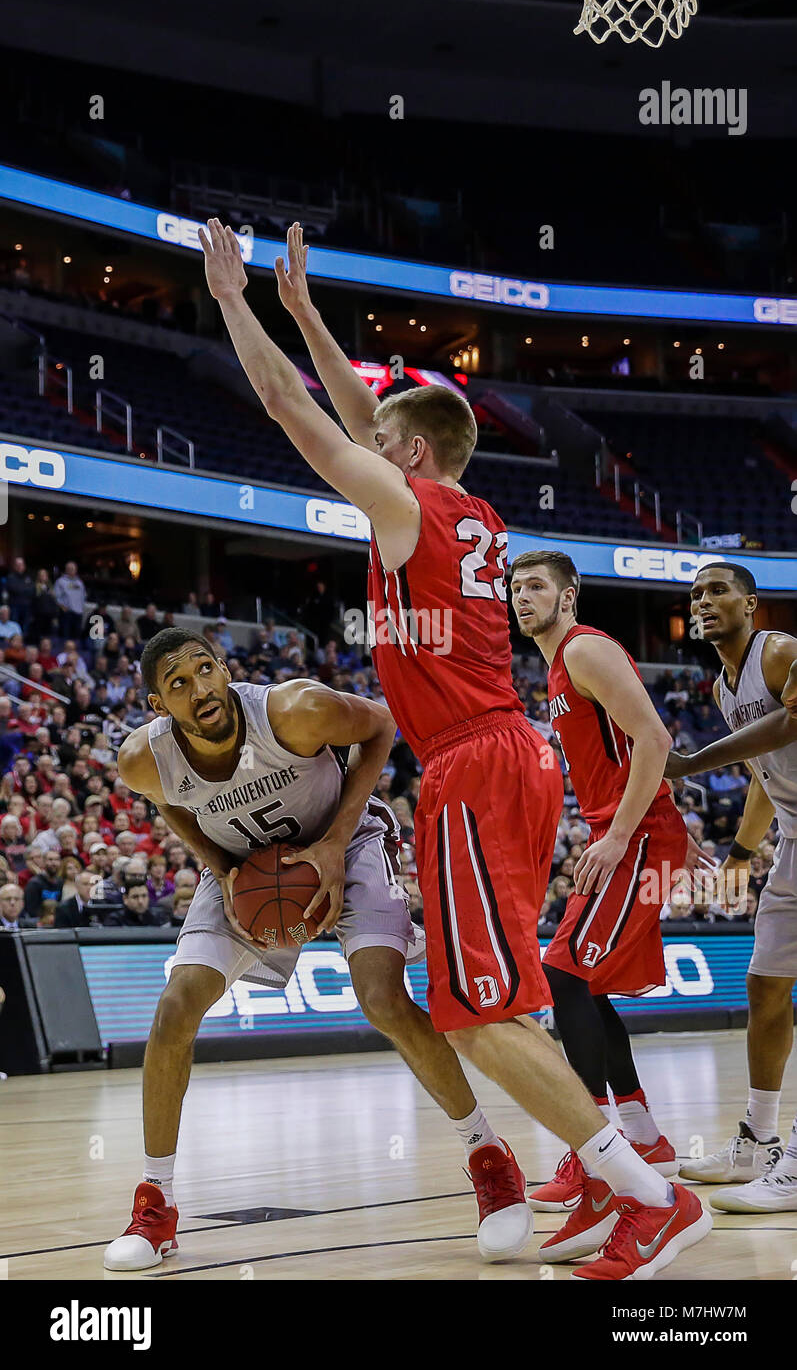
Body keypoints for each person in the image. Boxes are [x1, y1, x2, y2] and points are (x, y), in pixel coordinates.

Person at [198, 217, 712, 1279]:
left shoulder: (408, 505)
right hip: (506, 756)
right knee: (499, 1000)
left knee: (472, 1013)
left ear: (408, 457)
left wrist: (234, 304)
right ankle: (616, 1180)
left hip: (477, 765)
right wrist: (303, 311)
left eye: (379, 440)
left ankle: (652, 1198)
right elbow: (357, 412)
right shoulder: (462, 508)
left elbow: (295, 410)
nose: (363, 446)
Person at [104, 628, 518, 1272]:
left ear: (225, 668)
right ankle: (156, 1203)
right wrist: (217, 863)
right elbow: (166, 800)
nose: (199, 689)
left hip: (344, 845)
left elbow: (380, 727)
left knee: (381, 997)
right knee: (175, 1009)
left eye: (205, 670)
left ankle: (487, 1156)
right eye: (178, 685)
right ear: (160, 707)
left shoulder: (294, 711)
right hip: (247, 868)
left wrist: (333, 842)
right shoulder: (142, 760)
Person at [509, 550, 713, 1254]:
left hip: (632, 837)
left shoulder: (585, 648)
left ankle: (592, 1150)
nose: (520, 595)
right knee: (583, 987)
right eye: (513, 586)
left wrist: (627, 833)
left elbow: (655, 736)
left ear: (568, 597)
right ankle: (644, 1141)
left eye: (536, 585)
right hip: (626, 831)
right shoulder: (555, 666)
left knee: (563, 976)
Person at [664, 562, 797, 1214]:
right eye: (695, 594)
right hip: (792, 843)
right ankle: (759, 1141)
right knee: (764, 987)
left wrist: (688, 762)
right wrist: (742, 852)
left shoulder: (780, 653)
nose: (703, 601)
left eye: (717, 590)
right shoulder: (723, 689)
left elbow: (789, 725)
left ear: (751, 603)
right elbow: (759, 775)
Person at [53, 562, 86, 641]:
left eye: (73, 569)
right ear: (66, 570)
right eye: (70, 569)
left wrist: (81, 608)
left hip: (78, 613)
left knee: (76, 637)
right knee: (65, 637)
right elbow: (55, 597)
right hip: (67, 613)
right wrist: (62, 607)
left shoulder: (80, 582)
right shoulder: (60, 581)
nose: (72, 571)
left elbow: (83, 596)